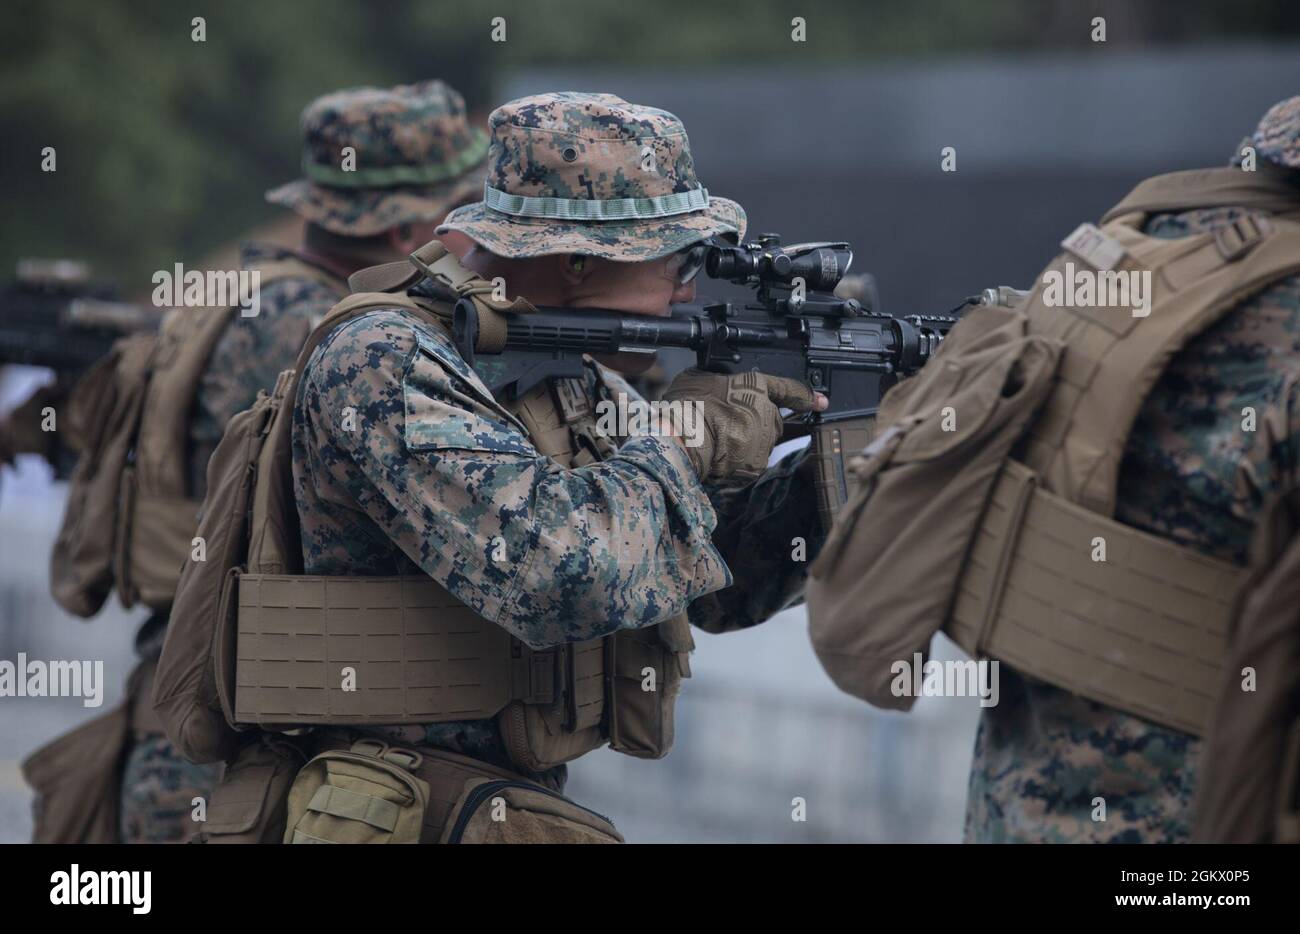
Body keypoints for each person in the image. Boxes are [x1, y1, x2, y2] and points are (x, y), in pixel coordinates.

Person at [252, 92, 827, 841]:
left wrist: (825, 486)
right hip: (383, 804)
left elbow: (702, 582)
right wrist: (689, 439)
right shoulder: (386, 360)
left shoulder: (567, 380)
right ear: (584, 261)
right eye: (677, 261)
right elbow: (561, 572)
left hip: (482, 806)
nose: (690, 290)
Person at [24, 79, 488, 843]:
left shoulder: (238, 296)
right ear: (411, 220)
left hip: (196, 736)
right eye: (454, 210)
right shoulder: (320, 332)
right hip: (242, 757)